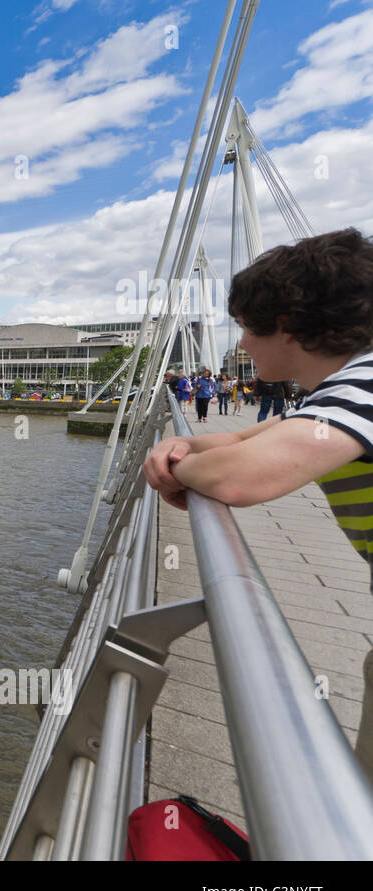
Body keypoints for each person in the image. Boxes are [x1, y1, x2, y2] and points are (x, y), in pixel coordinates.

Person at [142, 227, 373, 783]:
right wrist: (184, 446)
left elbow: (237, 478)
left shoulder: (364, 385)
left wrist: (177, 465)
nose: (241, 345)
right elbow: (236, 444)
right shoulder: (340, 392)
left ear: (289, 326)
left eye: (247, 327)